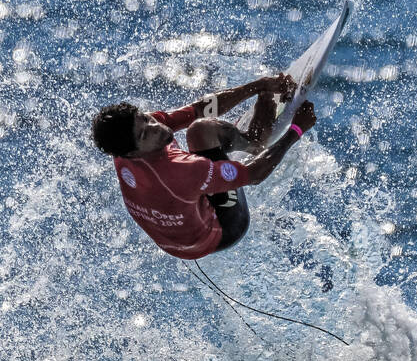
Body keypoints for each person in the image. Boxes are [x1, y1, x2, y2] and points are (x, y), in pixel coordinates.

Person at [91, 74, 318, 260]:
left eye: (147, 119)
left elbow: (200, 109)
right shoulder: (183, 172)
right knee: (203, 131)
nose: (156, 127)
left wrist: (258, 85)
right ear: (131, 153)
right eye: (145, 134)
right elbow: (255, 174)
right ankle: (255, 143)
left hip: (176, 231)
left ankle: (231, 141)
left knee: (198, 124)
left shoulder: (123, 144)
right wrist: (296, 130)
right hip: (222, 229)